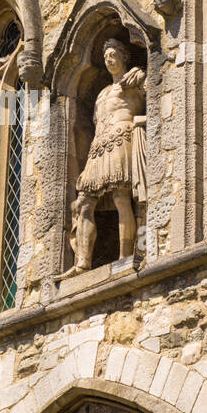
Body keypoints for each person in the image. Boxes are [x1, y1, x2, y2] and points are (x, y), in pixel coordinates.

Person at [69, 38, 146, 272]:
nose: (109, 60)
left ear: (124, 57)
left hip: (121, 137)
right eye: (106, 57)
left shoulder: (134, 78)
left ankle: (125, 257)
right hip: (99, 144)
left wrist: (143, 79)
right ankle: (83, 263)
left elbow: (157, 92)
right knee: (83, 203)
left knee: (121, 198)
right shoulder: (102, 93)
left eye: (113, 55)